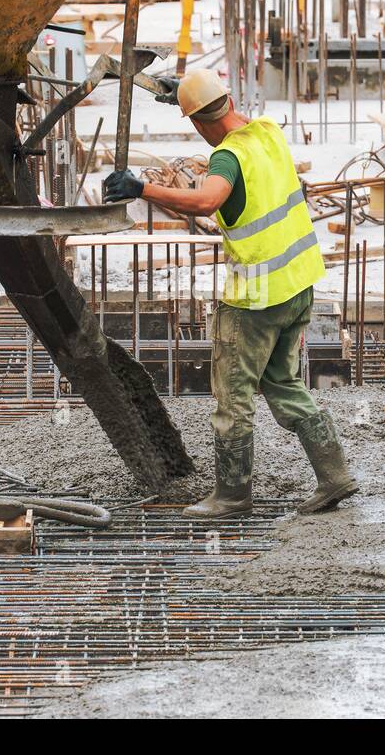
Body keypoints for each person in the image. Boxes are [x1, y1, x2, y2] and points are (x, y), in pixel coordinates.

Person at [102, 69, 359, 518]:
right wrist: (185, 91)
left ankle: (231, 495)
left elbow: (207, 201)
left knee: (233, 398)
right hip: (298, 285)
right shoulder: (267, 133)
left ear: (198, 123)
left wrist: (140, 188)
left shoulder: (226, 159)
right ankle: (335, 475)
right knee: (282, 381)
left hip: (254, 301)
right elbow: (219, 114)